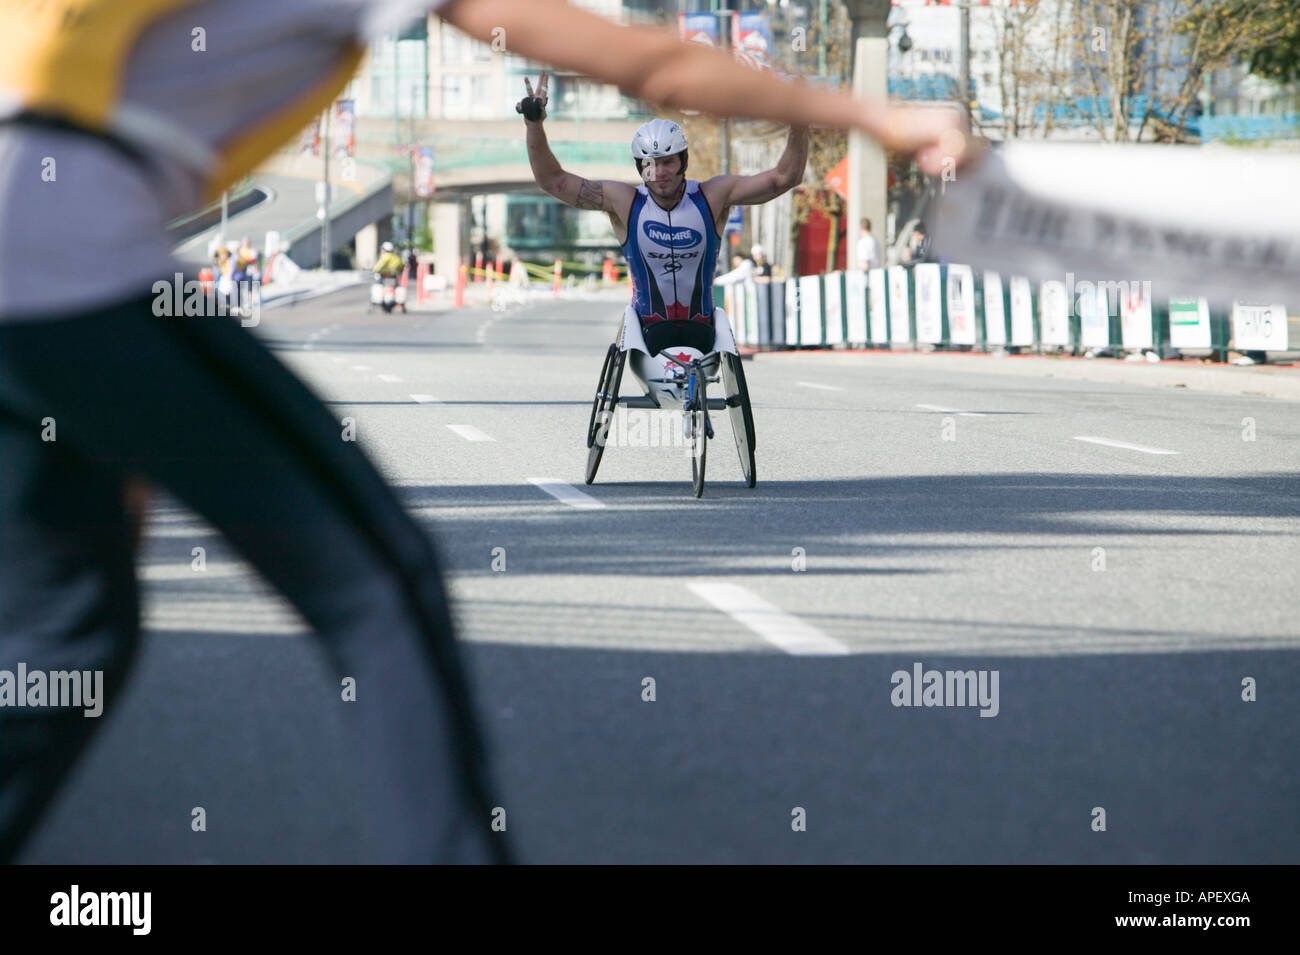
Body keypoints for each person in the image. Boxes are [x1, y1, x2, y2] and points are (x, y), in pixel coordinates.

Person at [0, 0, 967, 865]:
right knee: (383, 586)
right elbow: (648, 64)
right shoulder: (622, 195)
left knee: (71, 627)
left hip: (45, 262)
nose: (666, 168)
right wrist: (872, 114)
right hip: (60, 252)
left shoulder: (710, 199)